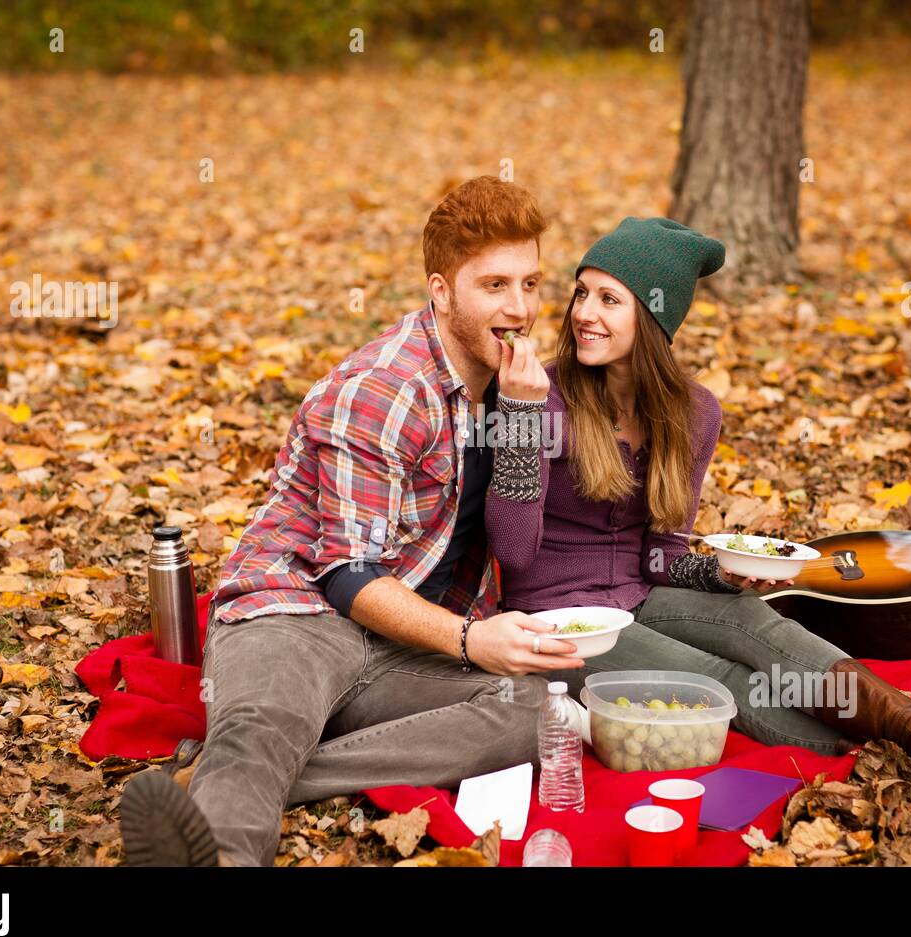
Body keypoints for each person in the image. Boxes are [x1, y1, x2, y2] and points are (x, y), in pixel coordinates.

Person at [483, 216, 911, 785]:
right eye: (582, 293)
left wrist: (727, 577)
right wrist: (518, 417)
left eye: (610, 299)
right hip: (560, 620)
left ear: (655, 319)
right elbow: (514, 554)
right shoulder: (539, 397)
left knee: (765, 627)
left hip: (642, 593)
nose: (583, 312)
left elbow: (659, 556)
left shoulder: (694, 413)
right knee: (720, 676)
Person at [119, 176, 585, 866]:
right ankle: (217, 849)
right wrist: (469, 639)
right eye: (494, 286)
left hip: (402, 638)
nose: (519, 309)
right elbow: (346, 577)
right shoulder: (383, 392)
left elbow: (514, 547)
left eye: (530, 283)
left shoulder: (515, 387)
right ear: (440, 291)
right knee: (264, 724)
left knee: (535, 711)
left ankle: (219, 779)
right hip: (301, 609)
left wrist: (519, 422)